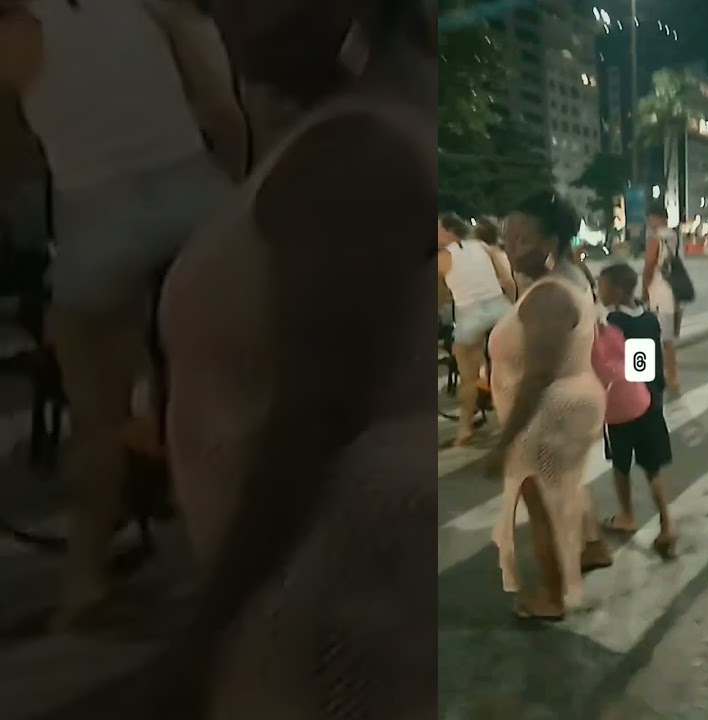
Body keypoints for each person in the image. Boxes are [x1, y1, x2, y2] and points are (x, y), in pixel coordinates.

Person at [150, 1, 439, 717]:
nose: (227, 17)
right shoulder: (351, 131)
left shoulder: (352, 155)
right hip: (329, 580)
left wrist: (209, 626)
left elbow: (313, 417)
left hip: (320, 599)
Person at [0, 0, 245, 628]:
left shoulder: (20, 33)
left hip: (98, 217)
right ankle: (225, 563)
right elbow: (220, 105)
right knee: (222, 396)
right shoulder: (149, 5)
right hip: (196, 199)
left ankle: (86, 582)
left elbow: (12, 157)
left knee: (95, 418)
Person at [487, 191, 613, 621]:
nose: (511, 247)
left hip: (547, 411)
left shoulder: (548, 297)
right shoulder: (561, 282)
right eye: (507, 237)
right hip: (568, 403)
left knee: (542, 508)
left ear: (552, 243)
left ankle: (553, 597)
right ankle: (585, 556)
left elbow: (538, 375)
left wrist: (505, 441)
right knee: (560, 496)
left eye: (522, 239)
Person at [596, 263, 678, 558]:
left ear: (617, 290)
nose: (598, 289)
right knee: (652, 467)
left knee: (621, 464)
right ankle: (667, 523)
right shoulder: (648, 319)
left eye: (602, 285)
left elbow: (627, 370)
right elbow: (645, 366)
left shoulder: (615, 322)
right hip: (651, 403)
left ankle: (627, 515)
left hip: (623, 405)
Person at [438, 211, 514, 444]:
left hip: (469, 316)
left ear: (449, 231)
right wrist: (512, 307)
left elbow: (441, 295)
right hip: (499, 311)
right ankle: (508, 426)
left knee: (467, 377)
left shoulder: (442, 258)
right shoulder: (485, 248)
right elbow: (508, 280)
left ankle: (465, 429)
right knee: (506, 373)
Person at [641, 202, 682, 391]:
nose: (649, 222)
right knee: (667, 339)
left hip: (657, 292)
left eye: (650, 218)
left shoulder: (656, 239)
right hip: (671, 292)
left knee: (649, 336)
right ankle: (672, 378)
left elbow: (649, 267)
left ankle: (648, 377)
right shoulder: (673, 237)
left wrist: (643, 291)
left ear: (657, 218)